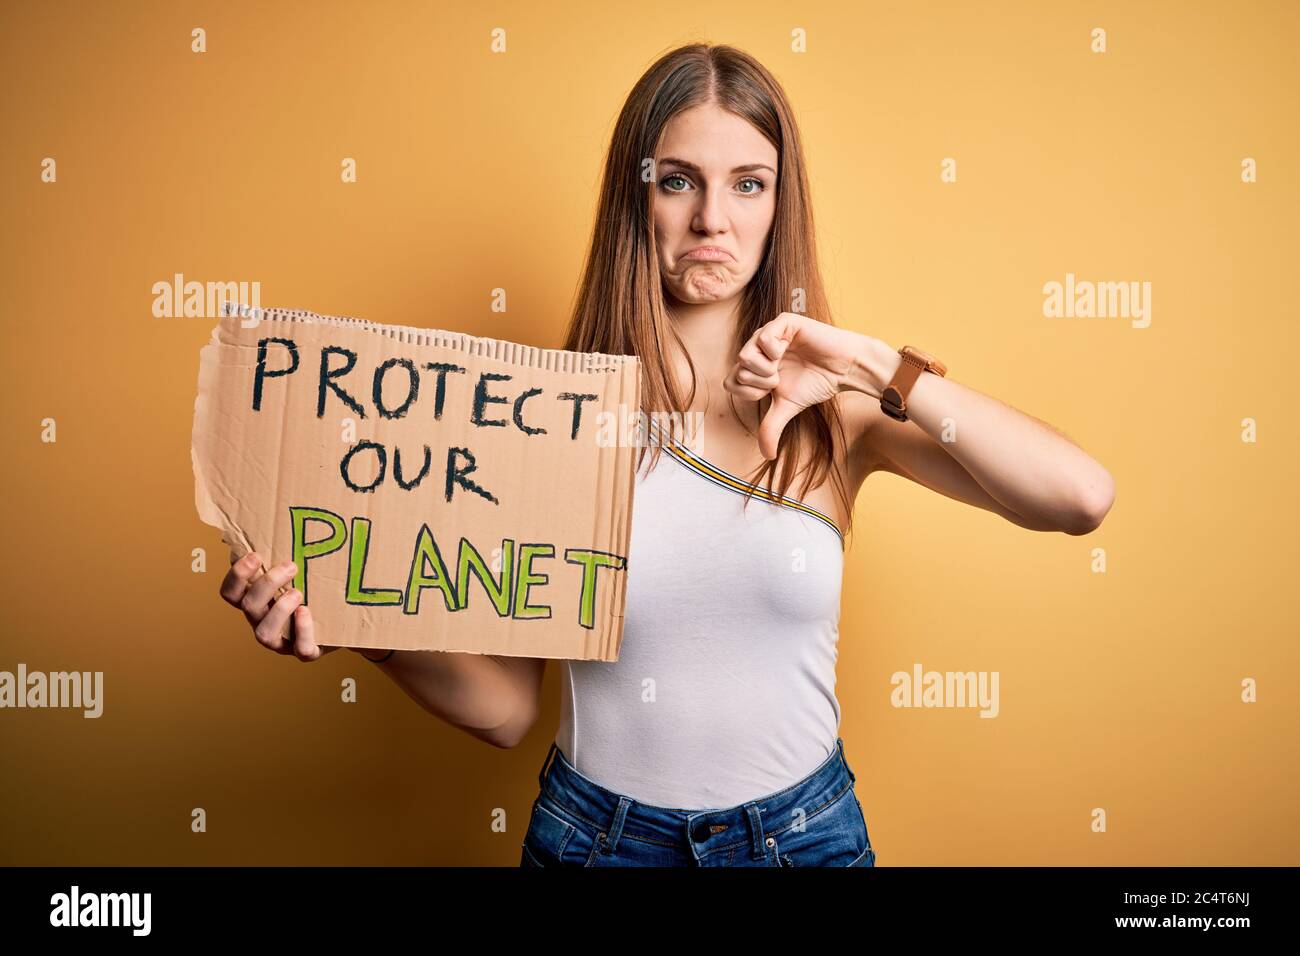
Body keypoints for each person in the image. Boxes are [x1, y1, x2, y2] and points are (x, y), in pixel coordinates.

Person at [219, 43, 1115, 867]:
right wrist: (360, 630)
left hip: (803, 843)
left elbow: (1079, 496)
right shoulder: (553, 418)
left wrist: (873, 362)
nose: (712, 220)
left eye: (749, 185)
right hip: (595, 842)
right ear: (635, 196)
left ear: (780, 202)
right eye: (679, 181)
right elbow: (508, 712)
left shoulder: (839, 414)